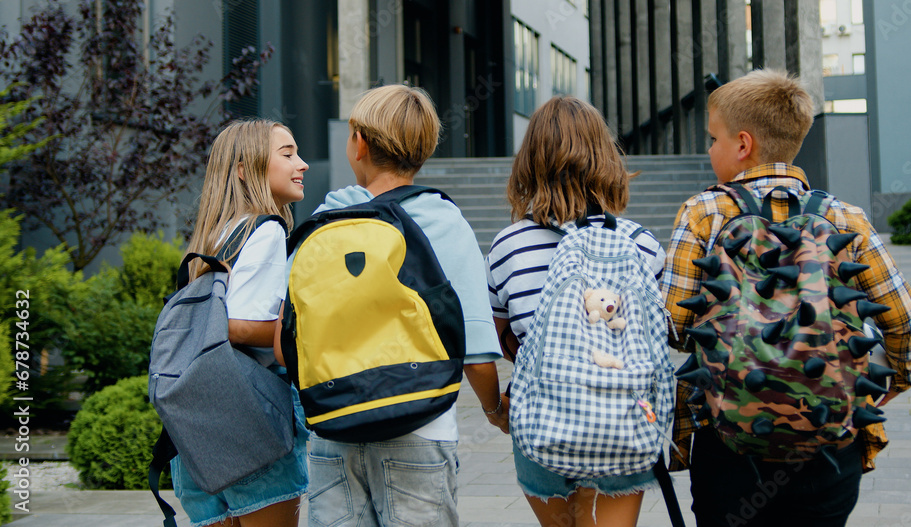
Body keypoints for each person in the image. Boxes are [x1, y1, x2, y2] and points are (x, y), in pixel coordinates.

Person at [661, 69, 911, 527]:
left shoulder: (704, 212)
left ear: (742, 145)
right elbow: (906, 320)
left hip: (729, 444)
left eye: (712, 140)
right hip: (827, 444)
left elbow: (672, 324)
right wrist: (893, 378)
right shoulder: (846, 218)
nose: (709, 151)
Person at [291, 84, 507, 527]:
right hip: (420, 428)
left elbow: (285, 340)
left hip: (334, 428)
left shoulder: (326, 218)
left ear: (359, 143)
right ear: (424, 149)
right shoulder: (445, 221)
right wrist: (493, 409)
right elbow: (477, 350)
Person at [485, 96, 667, 527]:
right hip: (626, 420)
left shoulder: (508, 246)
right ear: (606, 159)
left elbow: (499, 334)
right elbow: (659, 334)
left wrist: (496, 410)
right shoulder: (642, 244)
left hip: (545, 417)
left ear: (531, 162)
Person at [174, 118, 310, 527]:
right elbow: (238, 325)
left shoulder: (214, 236)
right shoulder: (265, 229)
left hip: (196, 431)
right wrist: (302, 332)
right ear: (242, 169)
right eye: (287, 154)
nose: (302, 164)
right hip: (252, 426)